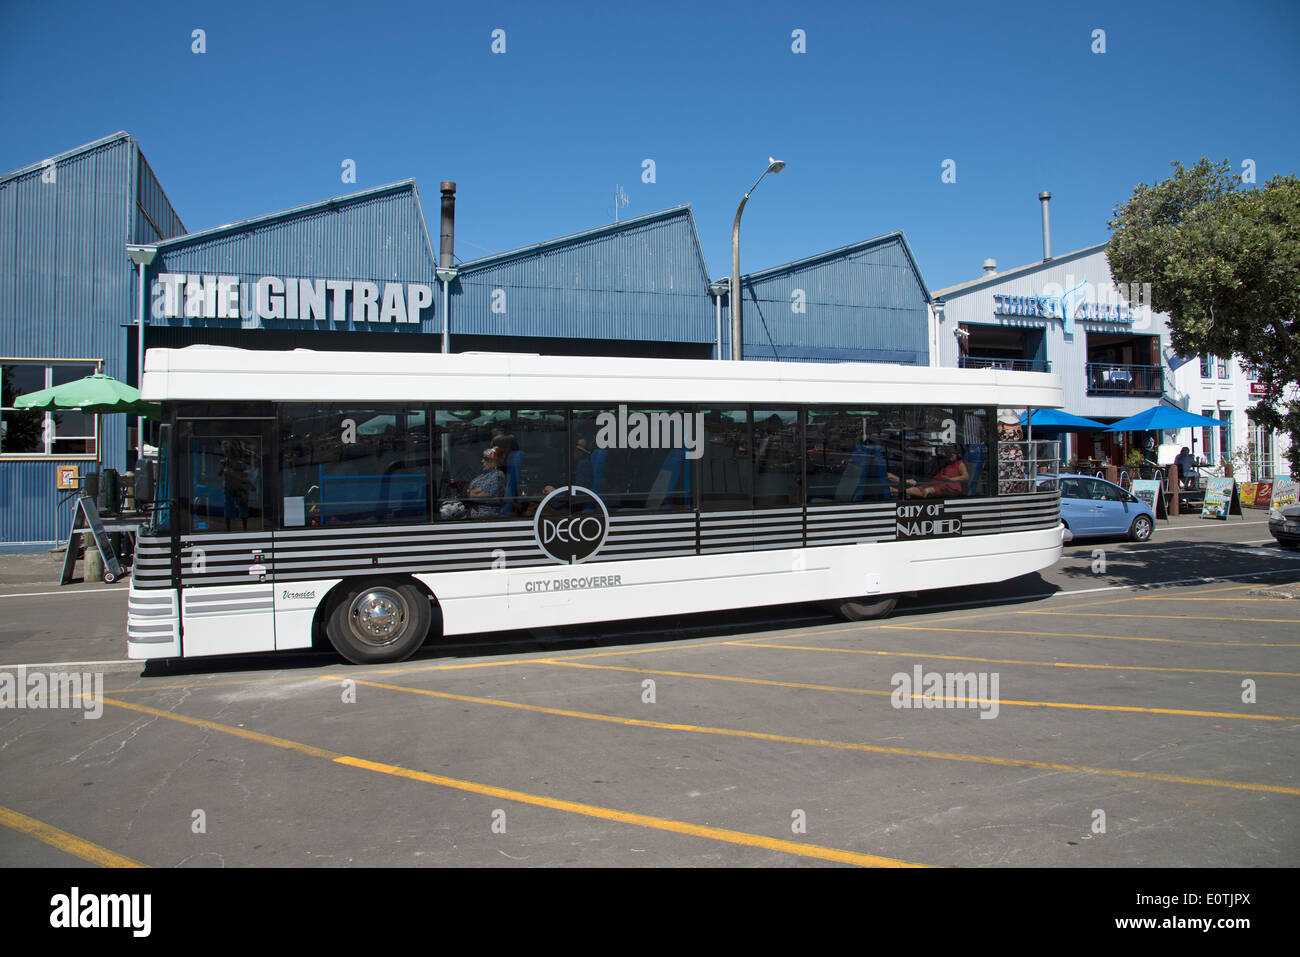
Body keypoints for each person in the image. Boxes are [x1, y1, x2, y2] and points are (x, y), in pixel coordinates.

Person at [466, 447, 506, 517]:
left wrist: (470, 493)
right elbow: (472, 489)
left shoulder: (498, 475)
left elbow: (483, 495)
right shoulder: (484, 474)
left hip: (487, 516)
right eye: (483, 458)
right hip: (476, 513)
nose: (482, 461)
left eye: (486, 459)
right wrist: (471, 493)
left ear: (494, 461)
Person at [997, 412, 1029, 494]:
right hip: (1017, 453)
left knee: (1004, 475)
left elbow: (996, 436)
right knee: (1017, 474)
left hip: (1004, 453)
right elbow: (1021, 437)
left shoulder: (1000, 426)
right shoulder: (1018, 426)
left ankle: (1004, 492)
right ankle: (1018, 492)